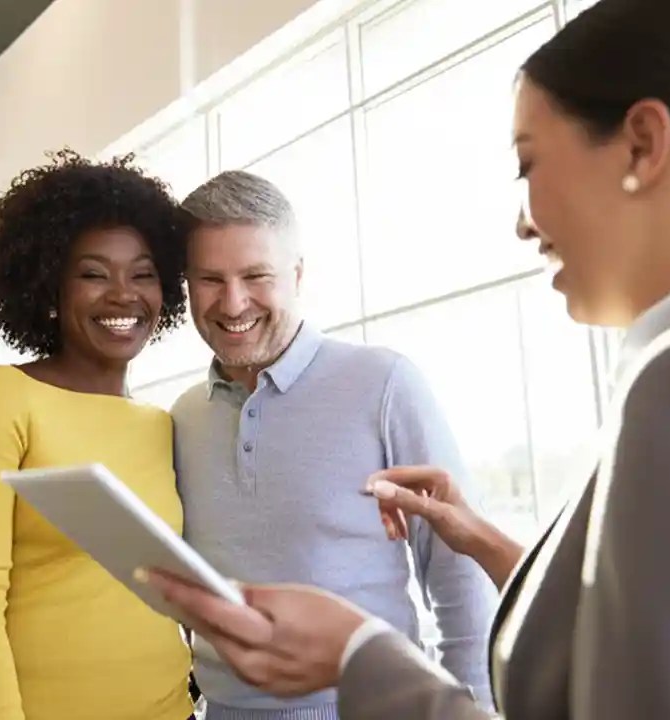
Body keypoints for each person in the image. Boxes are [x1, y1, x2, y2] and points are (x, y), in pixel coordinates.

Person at [142, 1, 670, 718]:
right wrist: (482, 540)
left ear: (644, 145)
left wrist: (359, 658)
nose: (523, 223)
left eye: (528, 163)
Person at [168, 170, 498, 719]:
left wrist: (471, 708)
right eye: (210, 279)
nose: (233, 302)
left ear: (296, 275)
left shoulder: (384, 383)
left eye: (256, 275)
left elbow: (456, 570)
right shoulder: (182, 417)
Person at [0, 149, 195, 719]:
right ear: (49, 288)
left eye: (143, 274)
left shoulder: (160, 426)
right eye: (93, 274)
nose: (124, 295)